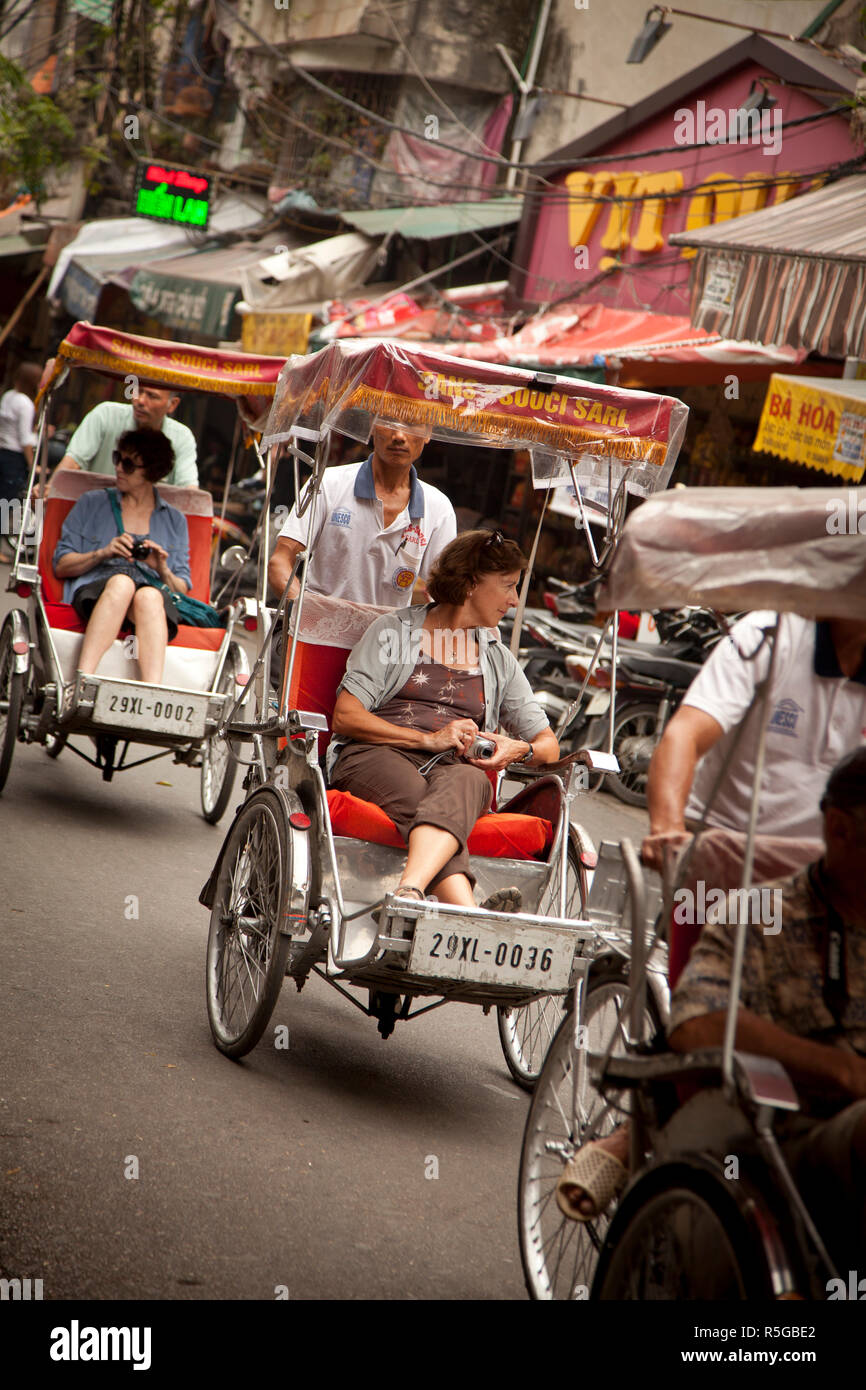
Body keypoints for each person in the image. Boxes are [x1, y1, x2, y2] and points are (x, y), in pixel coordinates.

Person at [666, 747, 866, 1270]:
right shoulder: (762, 915)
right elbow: (695, 1021)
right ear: (841, 829)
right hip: (787, 1140)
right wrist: (841, 1070)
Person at [329, 530, 559, 912]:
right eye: (507, 586)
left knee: (470, 779)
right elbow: (346, 715)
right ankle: (467, 912)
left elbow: (548, 745)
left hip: (455, 770)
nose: (514, 600)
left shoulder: (497, 658)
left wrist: (519, 749)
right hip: (378, 754)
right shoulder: (394, 633)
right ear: (470, 584)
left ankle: (411, 893)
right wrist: (428, 739)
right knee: (424, 801)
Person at [642, 610, 866, 867]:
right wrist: (667, 832)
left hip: (825, 867)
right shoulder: (766, 635)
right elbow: (685, 735)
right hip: (724, 843)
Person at [267, 420, 456, 607]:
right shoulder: (328, 484)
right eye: (389, 421)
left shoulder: (438, 508)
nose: (399, 436)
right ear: (372, 425)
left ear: (428, 433)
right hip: (318, 632)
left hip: (388, 635)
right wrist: (303, 610)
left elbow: (445, 592)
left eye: (413, 423)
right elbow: (280, 562)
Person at [53, 430, 191, 684]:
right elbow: (61, 565)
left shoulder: (174, 521)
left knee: (148, 595)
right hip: (97, 591)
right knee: (122, 583)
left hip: (151, 597)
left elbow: (182, 589)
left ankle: (152, 690)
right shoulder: (91, 503)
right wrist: (103, 553)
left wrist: (161, 568)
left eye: (128, 464)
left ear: (152, 471)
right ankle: (82, 681)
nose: (117, 468)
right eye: (117, 458)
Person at [51, 385, 198, 487]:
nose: (140, 401)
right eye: (138, 391)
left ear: (172, 404)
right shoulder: (106, 415)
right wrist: (51, 488)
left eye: (152, 396)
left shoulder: (182, 437)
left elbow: (187, 486)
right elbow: (74, 460)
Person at [0, 362, 42, 562]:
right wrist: (33, 464)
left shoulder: (9, 396)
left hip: (3, 451)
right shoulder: (25, 403)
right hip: (15, 457)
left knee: (4, 499)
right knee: (8, 502)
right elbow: (25, 439)